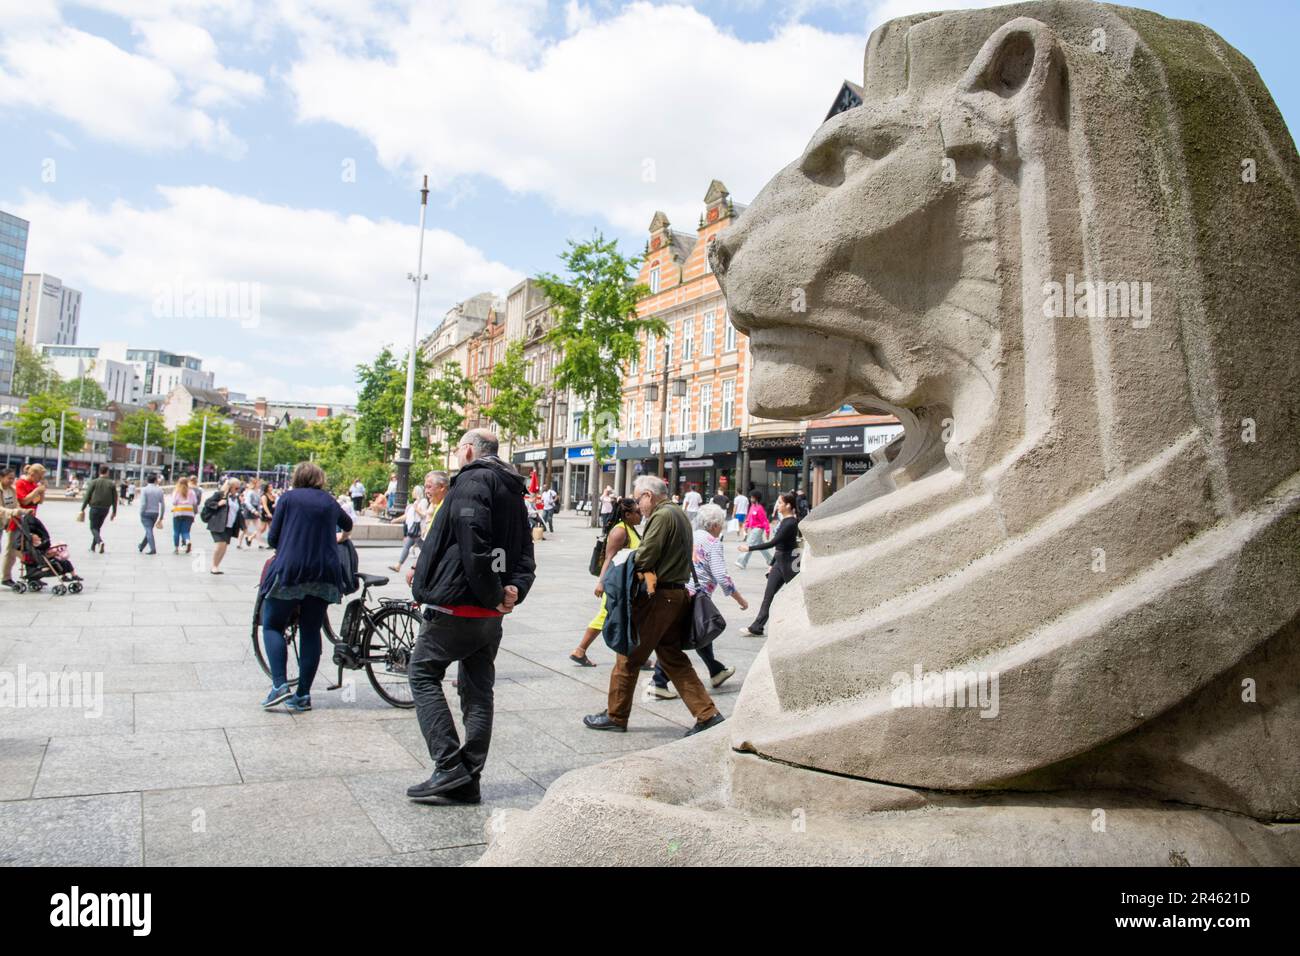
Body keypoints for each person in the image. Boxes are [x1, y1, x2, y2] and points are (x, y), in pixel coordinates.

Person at [405, 429, 536, 804]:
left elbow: (472, 541)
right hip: (488, 614)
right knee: (478, 689)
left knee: (423, 673)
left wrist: (495, 594)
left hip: (457, 605)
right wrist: (513, 590)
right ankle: (469, 778)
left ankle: (449, 766)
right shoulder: (513, 487)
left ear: (467, 450)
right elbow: (524, 551)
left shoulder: (474, 479)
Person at [583, 475, 724, 736]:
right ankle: (707, 714)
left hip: (659, 598)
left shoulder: (662, 515)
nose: (638, 506)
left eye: (639, 500)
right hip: (676, 595)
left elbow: (647, 555)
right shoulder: (679, 514)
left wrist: (626, 561)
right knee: (672, 656)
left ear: (648, 495)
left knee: (628, 654)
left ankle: (616, 715)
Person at [257, 461, 354, 713]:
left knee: (272, 624)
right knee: (311, 631)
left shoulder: (288, 499)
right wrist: (337, 538)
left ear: (296, 477)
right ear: (320, 479)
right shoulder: (329, 501)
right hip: (324, 573)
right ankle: (302, 694)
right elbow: (348, 525)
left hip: (291, 571)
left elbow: (273, 538)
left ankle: (279, 684)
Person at [648, 502, 744, 697]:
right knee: (685, 636)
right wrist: (740, 600)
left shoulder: (689, 536)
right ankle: (658, 682)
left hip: (680, 589)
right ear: (715, 524)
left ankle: (716, 671)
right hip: (695, 595)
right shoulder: (712, 542)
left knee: (698, 631)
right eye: (721, 524)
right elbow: (721, 575)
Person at [569, 496, 641, 667]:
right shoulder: (620, 531)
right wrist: (601, 582)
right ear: (627, 514)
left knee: (623, 616)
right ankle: (579, 650)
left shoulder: (630, 528)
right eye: (637, 512)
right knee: (604, 615)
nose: (640, 515)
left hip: (625, 582)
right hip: (615, 583)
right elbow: (609, 558)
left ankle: (636, 654)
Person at [739, 492, 802, 636]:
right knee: (769, 595)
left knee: (798, 595)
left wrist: (749, 548)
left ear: (788, 505)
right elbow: (780, 546)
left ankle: (799, 622)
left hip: (791, 563)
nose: (777, 505)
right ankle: (757, 627)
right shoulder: (785, 521)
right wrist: (772, 563)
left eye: (780, 503)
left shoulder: (791, 523)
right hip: (780, 561)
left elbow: (774, 542)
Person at [392, 471, 447, 573]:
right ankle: (399, 565)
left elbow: (424, 516)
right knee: (416, 547)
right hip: (422, 533)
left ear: (442, 487)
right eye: (425, 487)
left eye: (429, 487)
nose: (426, 491)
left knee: (422, 548)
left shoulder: (442, 506)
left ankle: (400, 565)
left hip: (420, 532)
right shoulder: (434, 502)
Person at [200, 478, 246, 574]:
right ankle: (213, 566)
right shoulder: (220, 494)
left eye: (239, 489)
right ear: (230, 487)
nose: (238, 490)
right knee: (220, 544)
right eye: (236, 488)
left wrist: (243, 526)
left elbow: (238, 513)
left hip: (229, 526)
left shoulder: (236, 498)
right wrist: (218, 504)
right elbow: (207, 502)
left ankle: (216, 565)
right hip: (218, 523)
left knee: (224, 546)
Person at [78, 465, 118, 555]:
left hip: (94, 507)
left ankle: (99, 542)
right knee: (98, 527)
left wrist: (82, 509)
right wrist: (114, 511)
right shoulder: (111, 483)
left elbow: (87, 496)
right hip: (105, 509)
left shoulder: (94, 482)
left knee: (93, 527)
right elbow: (115, 499)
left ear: (100, 472)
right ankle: (93, 547)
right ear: (107, 472)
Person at [736, 490, 772, 568]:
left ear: (756, 498)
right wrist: (746, 526)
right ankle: (771, 561)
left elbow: (765, 521)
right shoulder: (752, 507)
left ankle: (742, 562)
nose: (751, 499)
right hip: (753, 529)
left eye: (752, 497)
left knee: (750, 544)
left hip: (758, 529)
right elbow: (749, 517)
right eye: (751, 497)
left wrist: (767, 531)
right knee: (761, 546)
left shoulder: (760, 508)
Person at [1, 469, 25, 585]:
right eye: (9, 478)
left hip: (9, 522)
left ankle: (6, 577)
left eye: (13, 478)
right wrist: (13, 512)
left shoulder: (12, 490)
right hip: (6, 518)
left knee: (11, 549)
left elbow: (16, 505)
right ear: (1, 477)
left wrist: (22, 511)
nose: (11, 480)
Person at [137, 473, 165, 555]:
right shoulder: (159, 490)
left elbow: (143, 503)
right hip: (155, 513)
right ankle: (141, 546)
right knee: (149, 530)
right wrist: (161, 516)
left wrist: (141, 512)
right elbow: (162, 504)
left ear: (147, 480)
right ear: (155, 480)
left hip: (146, 512)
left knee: (148, 530)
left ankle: (153, 549)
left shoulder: (144, 489)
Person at [171, 476, 197, 553]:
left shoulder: (176, 491)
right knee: (185, 531)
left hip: (178, 512)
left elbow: (174, 502)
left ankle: (176, 548)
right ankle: (188, 541)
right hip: (189, 513)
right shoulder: (192, 492)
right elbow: (195, 502)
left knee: (176, 531)